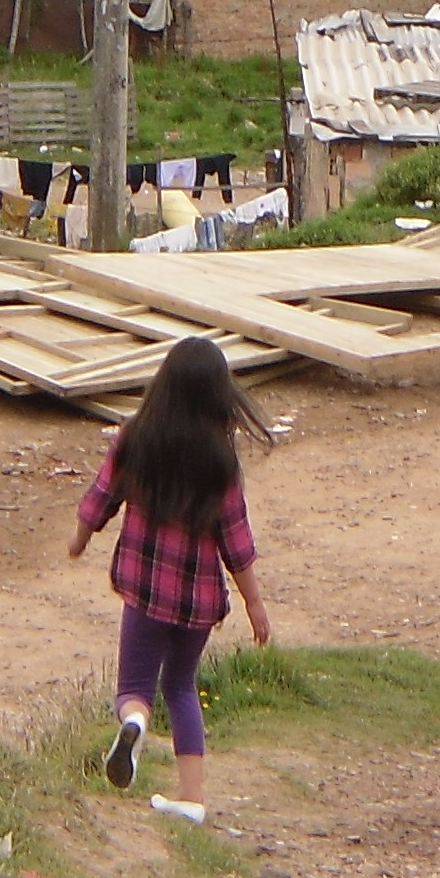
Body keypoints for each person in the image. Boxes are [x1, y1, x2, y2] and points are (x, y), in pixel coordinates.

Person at [68, 334, 277, 824]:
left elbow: (100, 497)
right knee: (181, 686)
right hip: (198, 601)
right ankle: (192, 797)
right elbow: (236, 541)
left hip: (144, 590)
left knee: (133, 688)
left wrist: (79, 540)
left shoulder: (136, 438)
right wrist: (255, 604)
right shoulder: (219, 461)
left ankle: (135, 723)